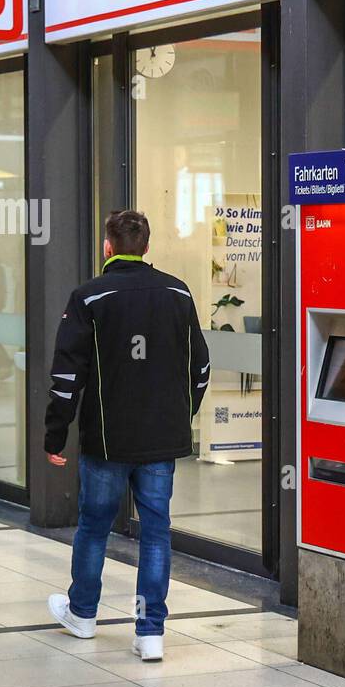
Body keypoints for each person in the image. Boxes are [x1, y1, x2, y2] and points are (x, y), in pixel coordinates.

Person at [44, 210, 209, 661]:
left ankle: (82, 614)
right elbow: (201, 366)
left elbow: (65, 376)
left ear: (108, 246)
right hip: (161, 440)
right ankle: (150, 631)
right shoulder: (178, 292)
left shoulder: (89, 297)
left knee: (95, 526)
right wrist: (182, 414)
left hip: (106, 440)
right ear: (148, 246)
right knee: (156, 531)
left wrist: (55, 435)